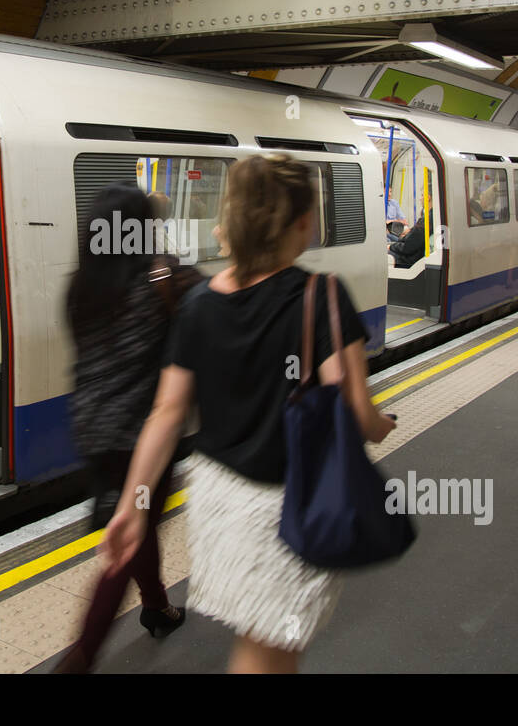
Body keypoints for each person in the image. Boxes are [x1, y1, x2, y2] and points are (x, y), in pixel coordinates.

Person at [100, 154, 396, 674]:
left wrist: (132, 503)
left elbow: (167, 413)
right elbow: (352, 406)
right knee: (268, 653)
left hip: (217, 501)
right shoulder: (321, 296)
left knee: (260, 639)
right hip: (288, 502)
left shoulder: (197, 305)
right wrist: (380, 425)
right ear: (303, 222)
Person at [53, 186, 204, 673]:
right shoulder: (166, 280)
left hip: (92, 433)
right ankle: (81, 658)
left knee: (135, 523)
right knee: (125, 540)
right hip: (143, 439)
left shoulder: (80, 287)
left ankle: (157, 607)